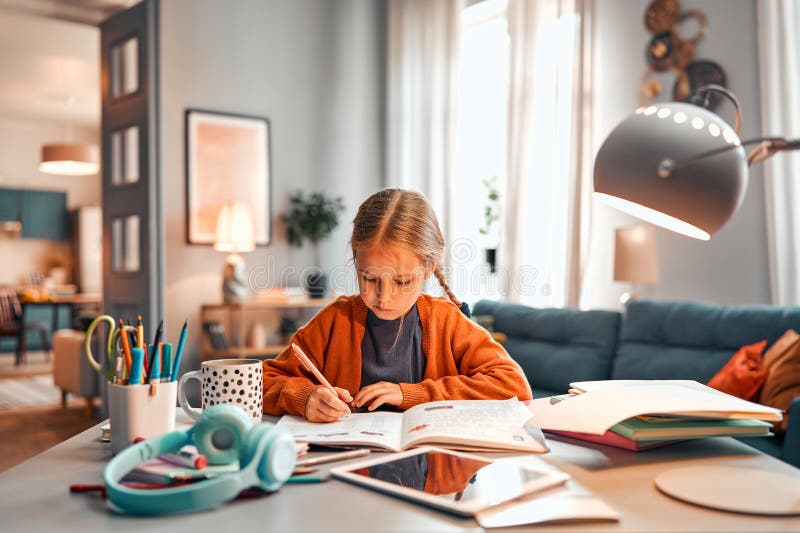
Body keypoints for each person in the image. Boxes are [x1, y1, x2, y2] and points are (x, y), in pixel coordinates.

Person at [263, 188, 531, 422]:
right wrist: (305, 397)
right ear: (356, 263)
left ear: (428, 269)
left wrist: (410, 394)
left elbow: (513, 385)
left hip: (432, 467)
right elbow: (260, 382)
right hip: (348, 467)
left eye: (402, 282)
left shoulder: (446, 321)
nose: (384, 297)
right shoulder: (334, 321)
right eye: (369, 278)